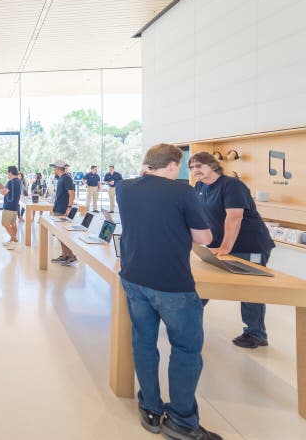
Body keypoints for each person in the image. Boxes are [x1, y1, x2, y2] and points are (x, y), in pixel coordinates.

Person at [117, 144, 221, 440]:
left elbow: (140, 182)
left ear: (147, 164)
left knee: (144, 342)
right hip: (172, 283)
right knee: (186, 349)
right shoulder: (182, 192)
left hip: (134, 277)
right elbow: (203, 237)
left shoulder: (125, 188)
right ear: (174, 166)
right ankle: (182, 420)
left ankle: (150, 408)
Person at [189, 151, 275, 349]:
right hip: (218, 246)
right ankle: (188, 322)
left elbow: (234, 217)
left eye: (199, 166)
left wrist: (226, 247)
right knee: (204, 283)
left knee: (250, 289)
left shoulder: (232, 185)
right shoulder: (200, 187)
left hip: (250, 246)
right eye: (192, 167)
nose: (195, 171)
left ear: (212, 166)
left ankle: (256, 334)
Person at [49, 160, 77, 266]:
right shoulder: (61, 178)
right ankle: (65, 256)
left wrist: (68, 209)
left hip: (63, 211)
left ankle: (71, 256)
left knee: (63, 236)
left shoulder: (66, 178)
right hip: (58, 209)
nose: (53, 169)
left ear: (57, 168)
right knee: (60, 236)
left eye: (54, 167)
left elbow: (72, 194)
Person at [0, 166, 22, 249]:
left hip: (9, 207)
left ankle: (14, 240)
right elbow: (10, 191)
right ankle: (12, 241)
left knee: (4, 223)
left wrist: (0, 188)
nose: (7, 174)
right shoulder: (18, 181)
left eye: (8, 173)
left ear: (10, 173)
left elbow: (4, 192)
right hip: (15, 207)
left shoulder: (11, 182)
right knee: (13, 224)